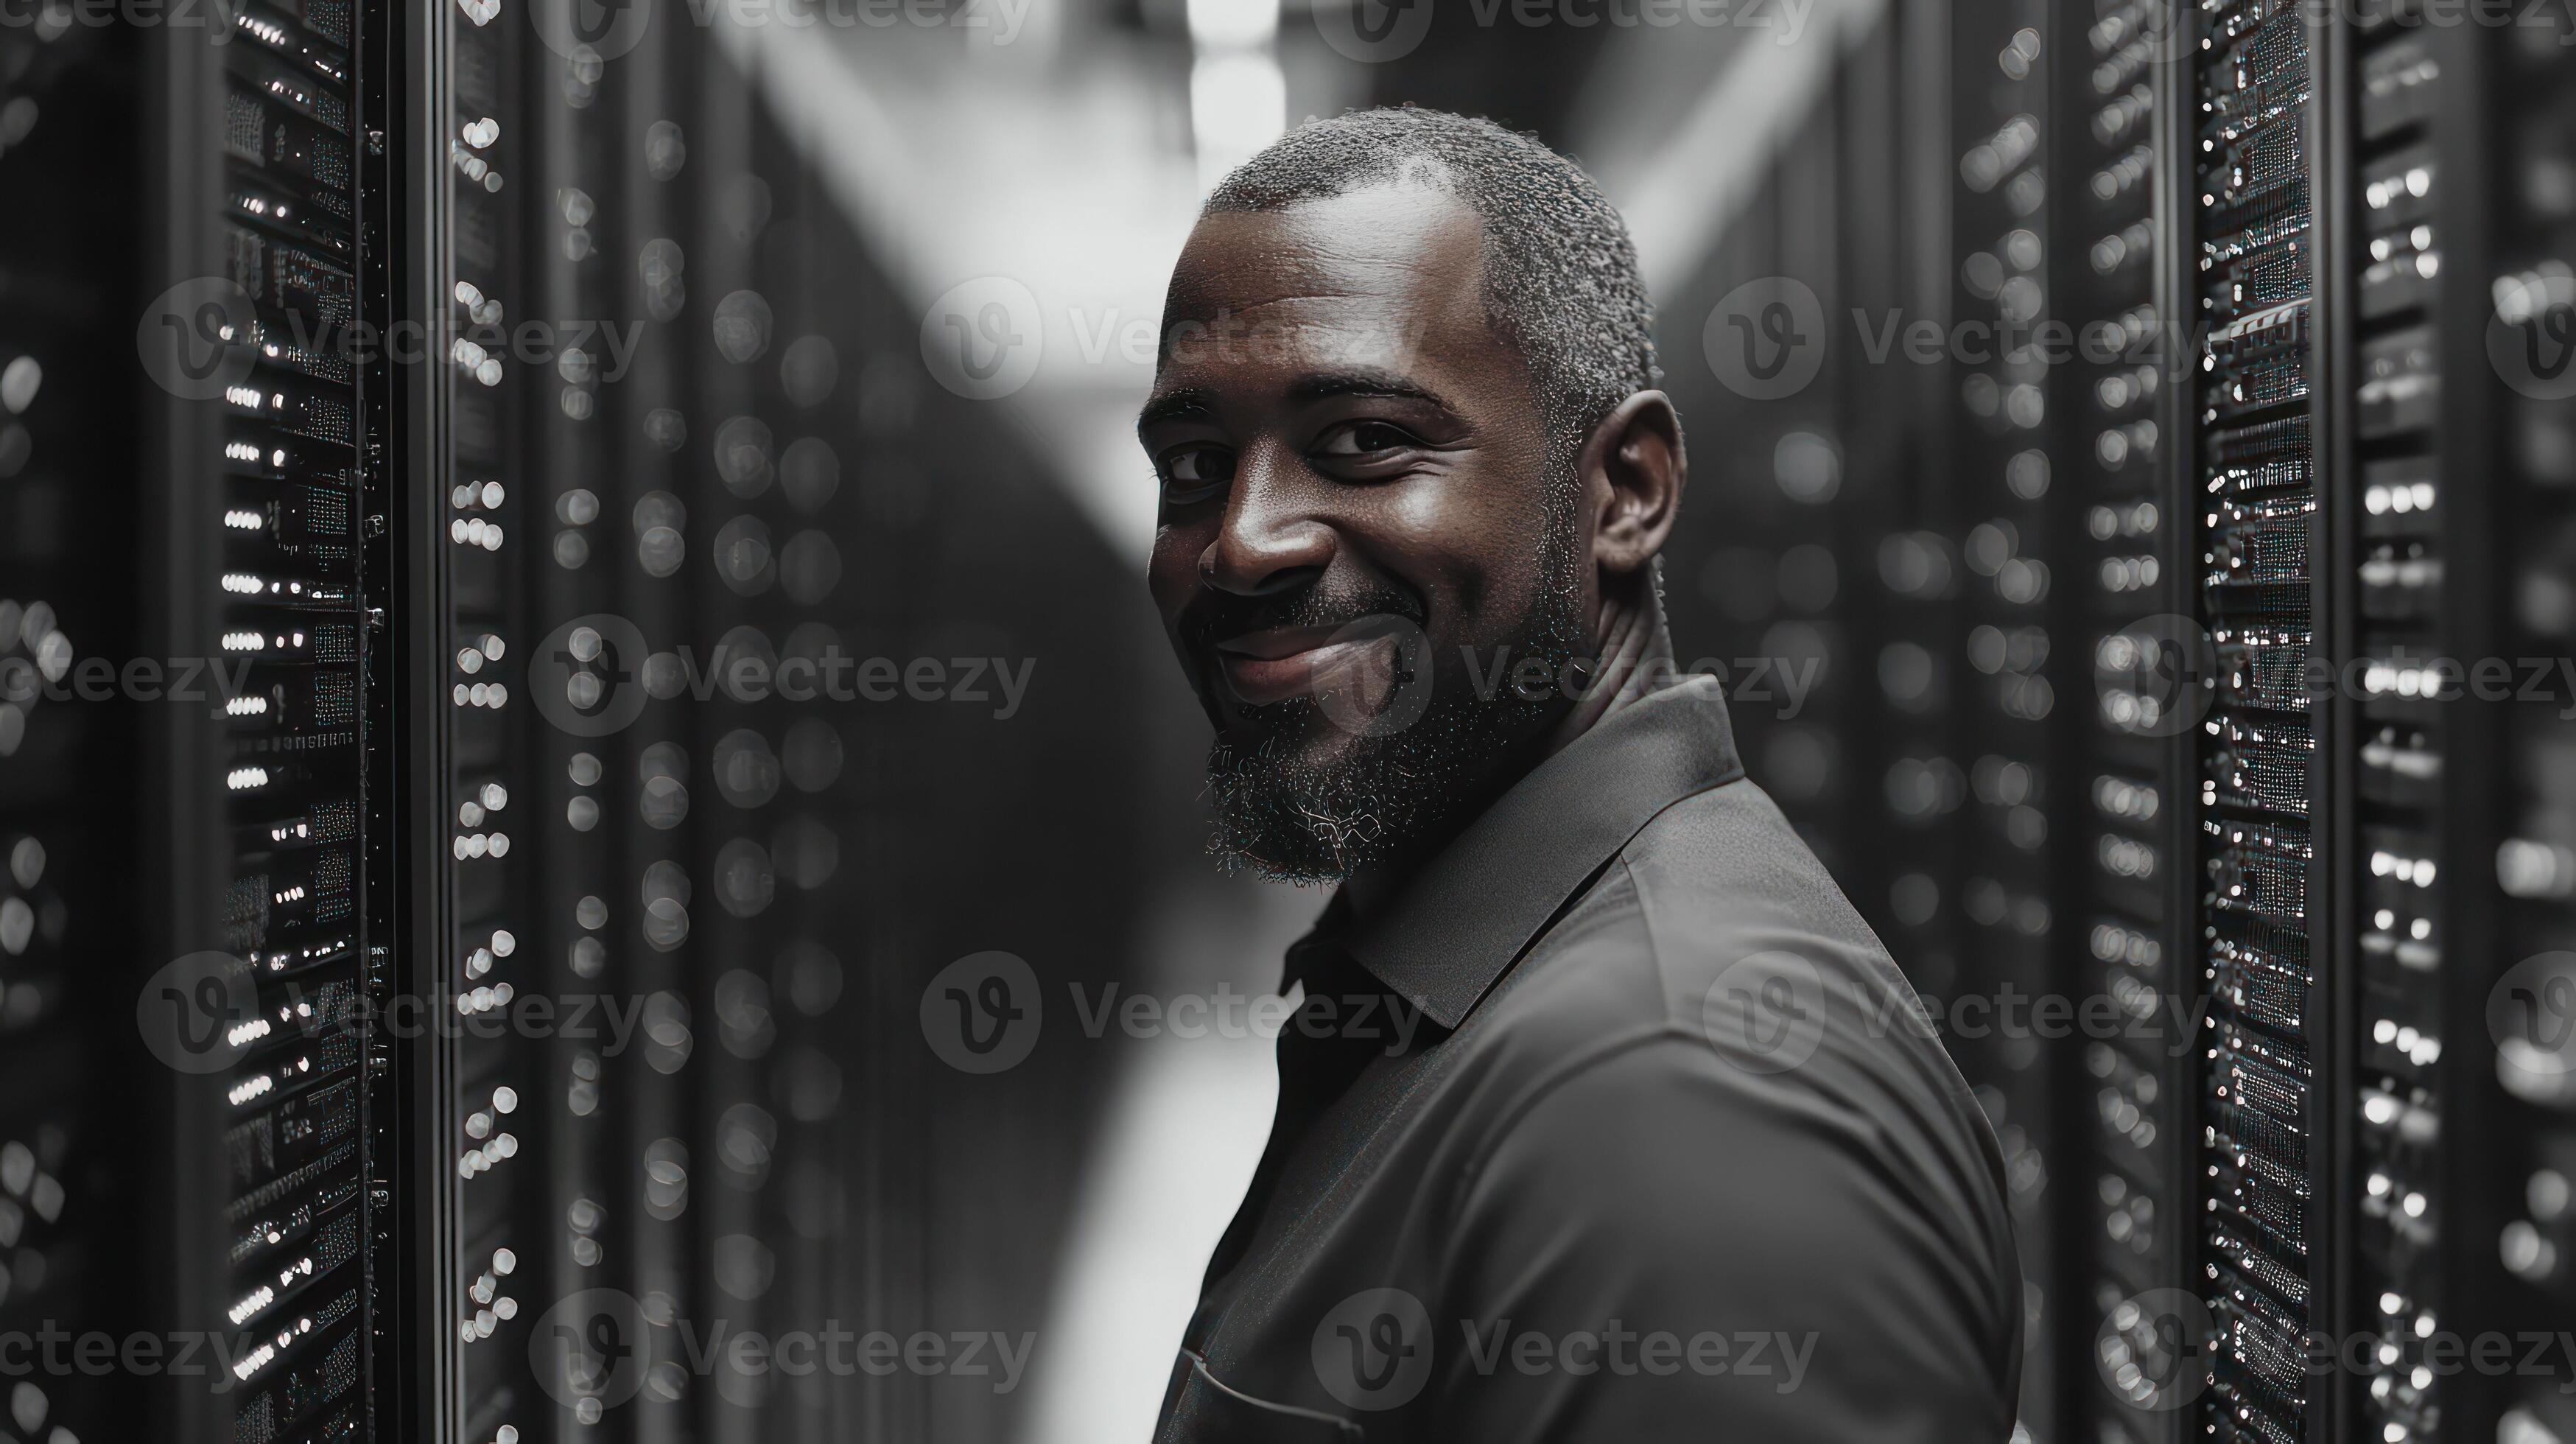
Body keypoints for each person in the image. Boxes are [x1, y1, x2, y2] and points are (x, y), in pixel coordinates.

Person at [1138, 106, 2021, 1441]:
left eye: (1366, 440)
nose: (1241, 543)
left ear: (1624, 490)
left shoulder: (1681, 1102)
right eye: (1196, 468)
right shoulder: (1486, 1000)